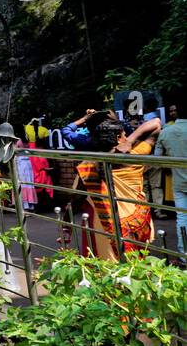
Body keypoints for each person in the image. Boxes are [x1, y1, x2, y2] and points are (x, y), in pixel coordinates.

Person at [76, 120, 154, 259]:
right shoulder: (135, 155)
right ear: (119, 138)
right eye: (124, 135)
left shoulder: (88, 164)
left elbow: (76, 197)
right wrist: (130, 140)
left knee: (106, 266)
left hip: (102, 223)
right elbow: (156, 124)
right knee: (137, 264)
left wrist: (66, 227)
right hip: (136, 222)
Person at [154, 103, 187, 251]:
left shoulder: (166, 131)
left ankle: (183, 254)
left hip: (179, 181)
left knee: (182, 218)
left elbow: (157, 158)